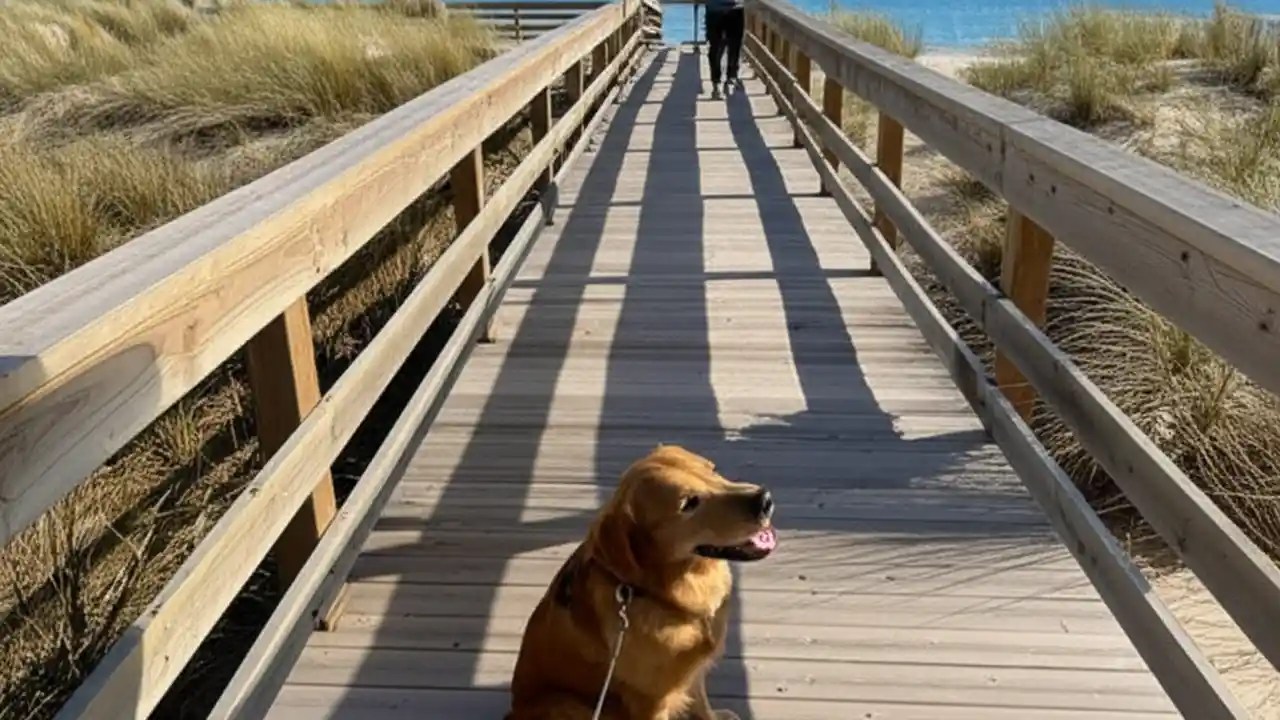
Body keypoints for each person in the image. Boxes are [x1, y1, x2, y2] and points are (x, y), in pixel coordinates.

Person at [704, 0, 744, 99]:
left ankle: (731, 76)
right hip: (715, 9)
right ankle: (716, 83)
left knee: (735, 46)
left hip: (735, 7)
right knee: (716, 48)